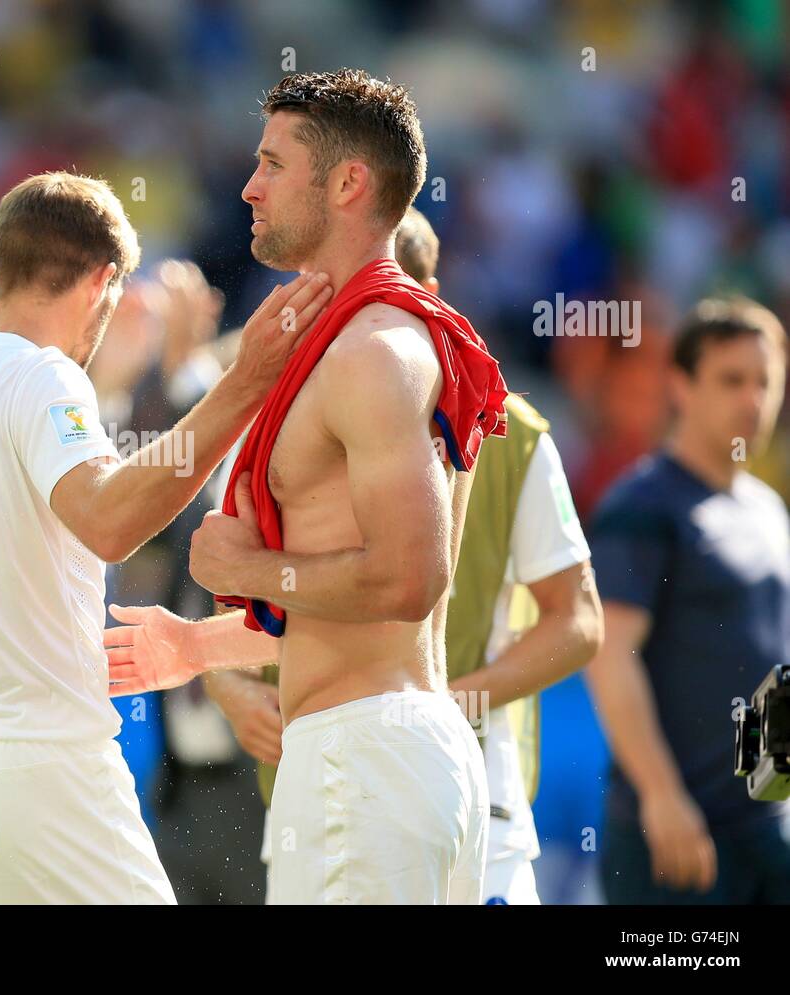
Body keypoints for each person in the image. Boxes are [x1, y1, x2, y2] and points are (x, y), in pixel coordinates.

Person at [0, 170, 333, 904]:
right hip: (35, 766)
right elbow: (110, 523)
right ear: (101, 283)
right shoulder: (43, 379)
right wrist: (244, 383)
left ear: (2, 268)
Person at [104, 69, 509, 904]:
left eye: (273, 164)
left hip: (364, 761)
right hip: (383, 752)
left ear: (349, 182)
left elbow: (408, 579)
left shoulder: (371, 349)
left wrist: (243, 573)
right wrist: (197, 645)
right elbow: (344, 600)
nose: (249, 187)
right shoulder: (361, 339)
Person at [201, 207, 603, 904]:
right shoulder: (282, 421)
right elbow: (246, 618)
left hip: (454, 781)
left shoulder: (516, 431)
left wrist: (446, 700)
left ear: (428, 294)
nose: (374, 329)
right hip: (336, 779)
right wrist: (230, 689)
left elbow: (580, 622)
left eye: (391, 305)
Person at [586, 295, 790, 904]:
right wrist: (662, 797)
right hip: (679, 839)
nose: (753, 401)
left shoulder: (767, 508)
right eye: (731, 380)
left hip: (765, 826)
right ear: (680, 386)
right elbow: (608, 654)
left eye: (766, 382)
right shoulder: (644, 506)